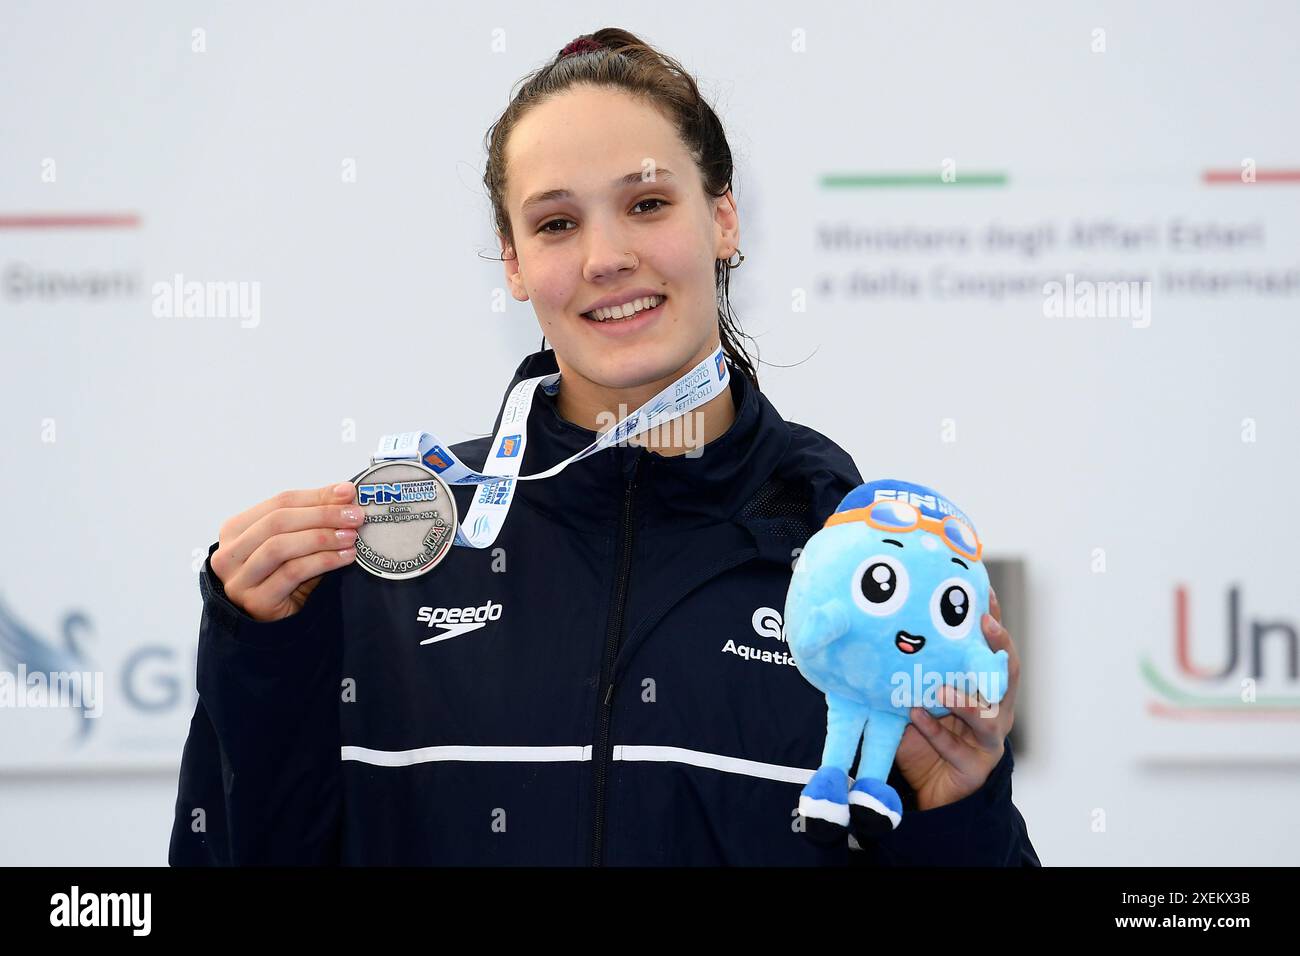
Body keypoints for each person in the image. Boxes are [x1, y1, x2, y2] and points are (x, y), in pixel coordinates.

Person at [168, 28, 1039, 866]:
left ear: (724, 219)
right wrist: (259, 664)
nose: (606, 257)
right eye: (555, 225)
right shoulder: (398, 550)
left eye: (647, 203)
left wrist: (955, 816)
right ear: (511, 263)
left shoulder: (852, 564)